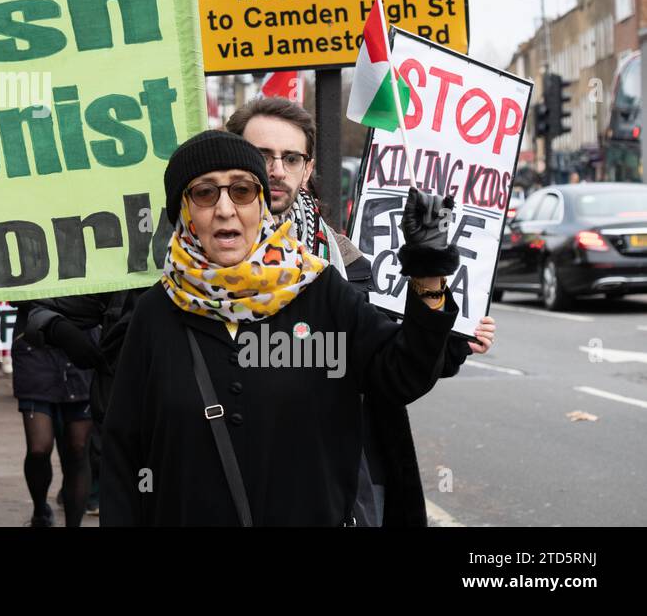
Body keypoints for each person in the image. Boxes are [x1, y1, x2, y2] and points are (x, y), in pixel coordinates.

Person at [101, 130, 463, 526]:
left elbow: (402, 374)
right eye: (205, 194)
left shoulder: (320, 291)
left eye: (241, 191)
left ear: (261, 205)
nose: (225, 209)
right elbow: (124, 454)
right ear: (184, 212)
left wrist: (429, 272)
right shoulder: (156, 311)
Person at [227, 96, 496, 526]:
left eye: (291, 158)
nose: (276, 170)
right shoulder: (189, 272)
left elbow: (395, 364)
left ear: (307, 169)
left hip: (344, 478)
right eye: (261, 156)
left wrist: (448, 324)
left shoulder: (344, 264)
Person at [12, 301, 95, 527]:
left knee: (78, 449)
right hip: (35, 345)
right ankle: (40, 509)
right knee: (39, 448)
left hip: (81, 340)